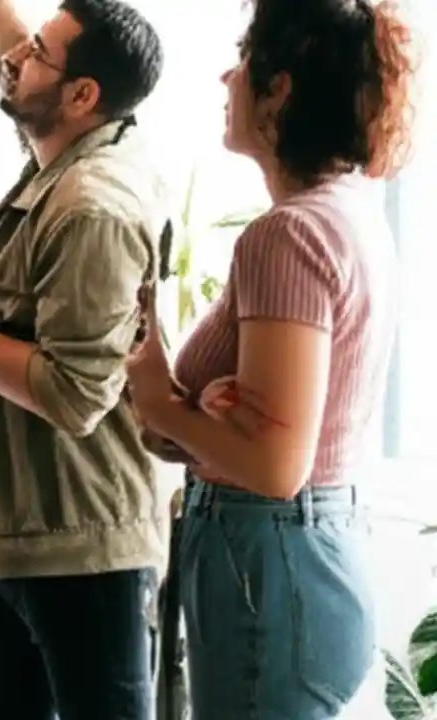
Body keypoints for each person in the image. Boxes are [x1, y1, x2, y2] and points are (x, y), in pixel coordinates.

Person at [125, 0, 415, 717]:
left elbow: (276, 466)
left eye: (242, 57)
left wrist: (164, 400)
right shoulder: (350, 210)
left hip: (270, 569)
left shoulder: (288, 236)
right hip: (300, 559)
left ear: (278, 88)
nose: (227, 76)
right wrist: (194, 415)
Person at [0, 0, 169, 717]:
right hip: (21, 539)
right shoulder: (67, 140)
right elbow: (9, 42)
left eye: (39, 53)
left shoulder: (91, 208)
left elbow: (74, 397)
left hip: (84, 555)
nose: (16, 60)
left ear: (82, 96)